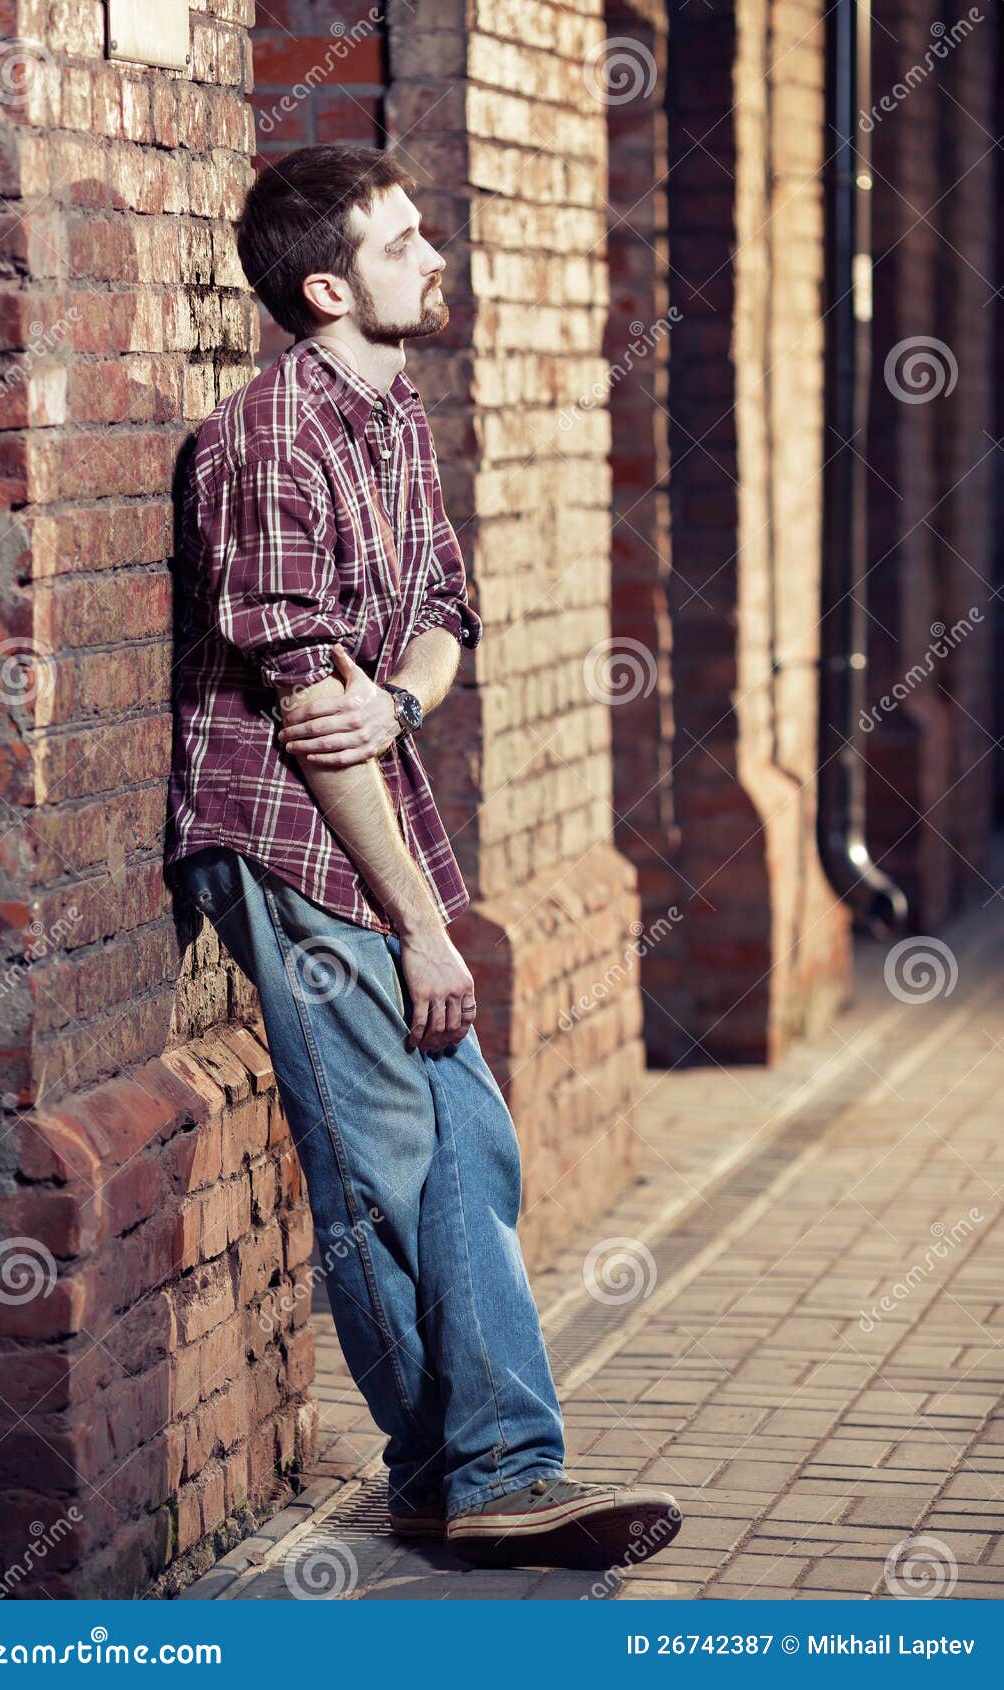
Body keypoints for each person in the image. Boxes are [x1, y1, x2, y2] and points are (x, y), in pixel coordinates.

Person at [164, 143, 682, 1572]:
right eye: (402, 241)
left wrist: (402, 692)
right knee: (387, 1164)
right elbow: (305, 719)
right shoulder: (268, 439)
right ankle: (478, 1469)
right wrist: (422, 925)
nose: (433, 254)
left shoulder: (392, 416)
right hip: (285, 838)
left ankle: (476, 1468)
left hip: (371, 815)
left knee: (469, 1144)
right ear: (328, 285)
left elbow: (445, 616)